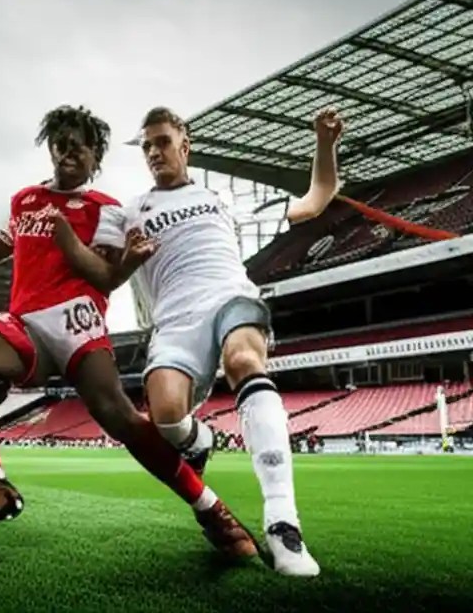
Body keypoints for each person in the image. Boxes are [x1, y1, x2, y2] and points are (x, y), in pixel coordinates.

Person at [0, 104, 257, 559]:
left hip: (77, 324)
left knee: (122, 418)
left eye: (79, 148)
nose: (68, 154)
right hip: (26, 323)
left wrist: (103, 252)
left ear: (95, 157)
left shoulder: (105, 209)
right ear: (50, 148)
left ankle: (211, 509)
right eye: (60, 145)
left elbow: (108, 277)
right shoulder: (25, 201)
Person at [49, 105, 344, 577]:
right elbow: (100, 270)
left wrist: (324, 144)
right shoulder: (127, 212)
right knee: (165, 416)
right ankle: (200, 440)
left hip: (230, 296)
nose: (153, 152)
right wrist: (66, 237)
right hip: (174, 320)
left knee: (244, 360)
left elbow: (316, 197)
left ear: (184, 145)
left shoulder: (222, 199)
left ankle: (282, 523)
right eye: (147, 146)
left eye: (162, 142)